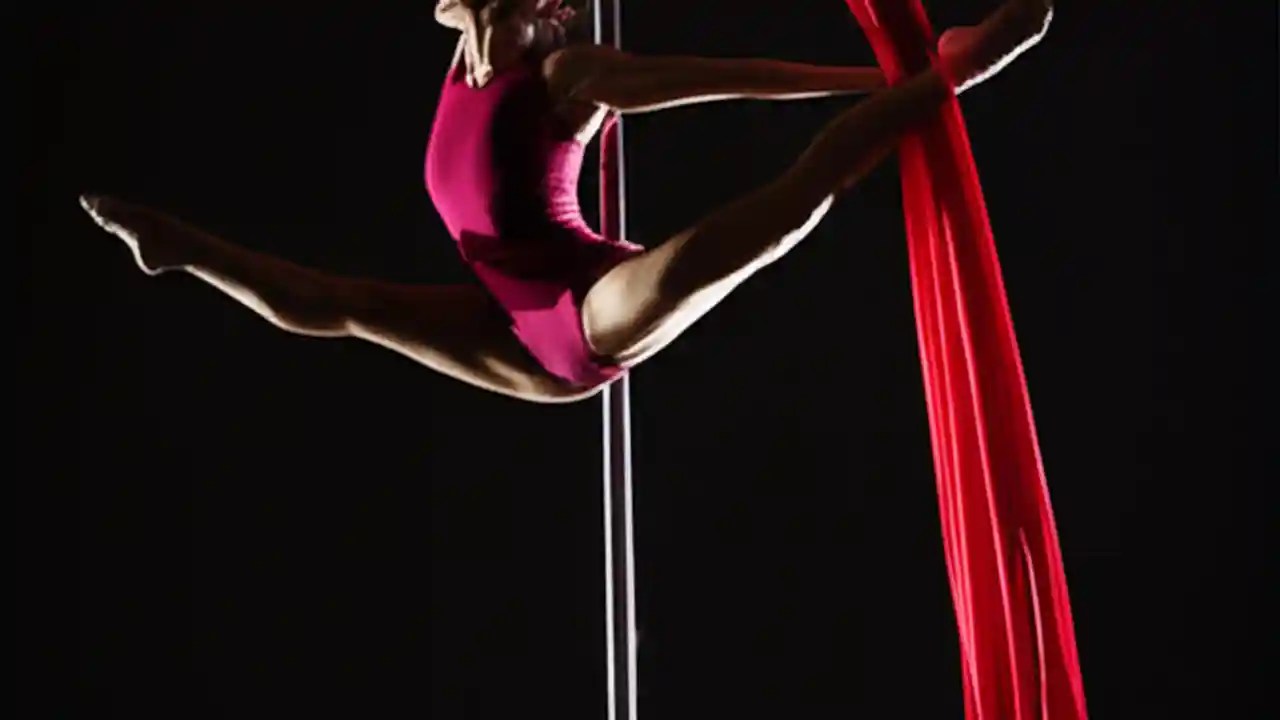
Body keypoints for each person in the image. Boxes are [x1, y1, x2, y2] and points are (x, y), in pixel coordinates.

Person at [81, 0, 1053, 403]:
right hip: (493, 295)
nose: (558, 14)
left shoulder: (571, 74)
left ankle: (948, 78)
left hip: (571, 308)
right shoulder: (465, 24)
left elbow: (730, 78)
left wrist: (869, 73)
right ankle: (178, 250)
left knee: (776, 214)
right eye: (544, 6)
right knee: (344, 306)